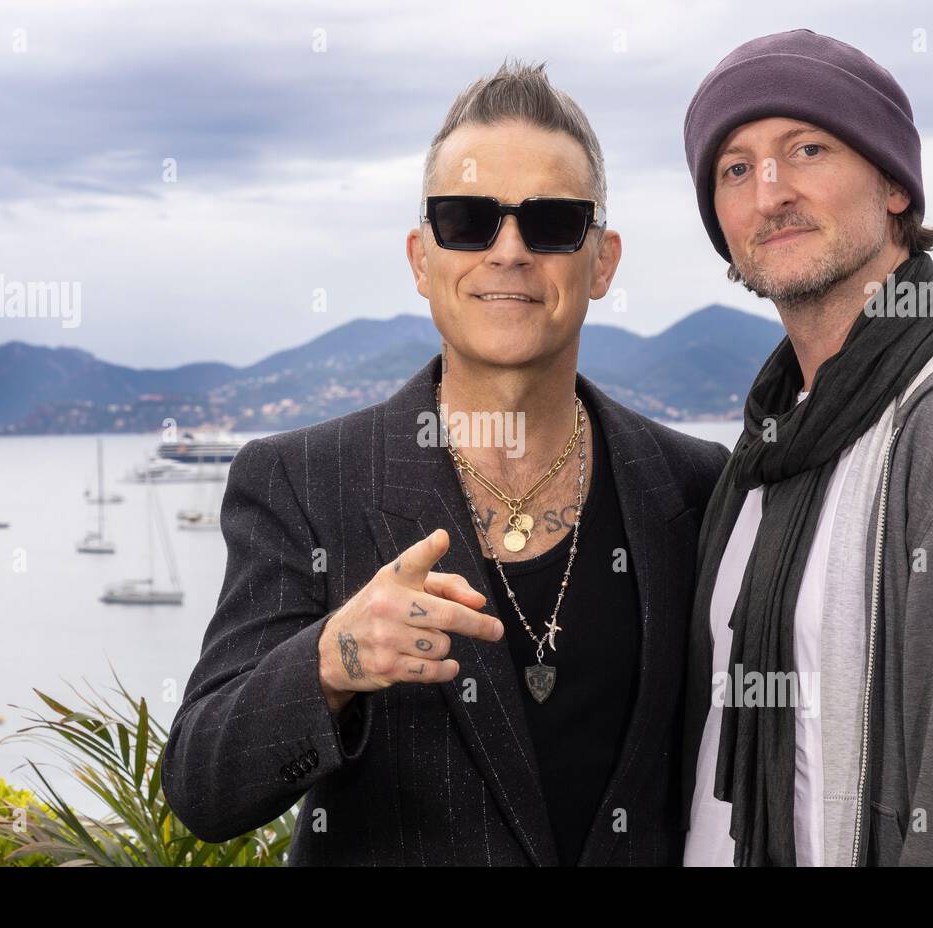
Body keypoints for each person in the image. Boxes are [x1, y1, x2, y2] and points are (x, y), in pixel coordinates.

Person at [162, 60, 728, 865]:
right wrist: (333, 658)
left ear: (601, 262)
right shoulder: (302, 483)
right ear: (421, 259)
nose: (508, 252)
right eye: (466, 219)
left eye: (552, 222)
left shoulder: (694, 484)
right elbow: (201, 786)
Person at [678, 29, 933, 866]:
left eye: (807, 148)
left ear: (895, 184)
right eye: (735, 167)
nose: (771, 193)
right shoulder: (770, 439)